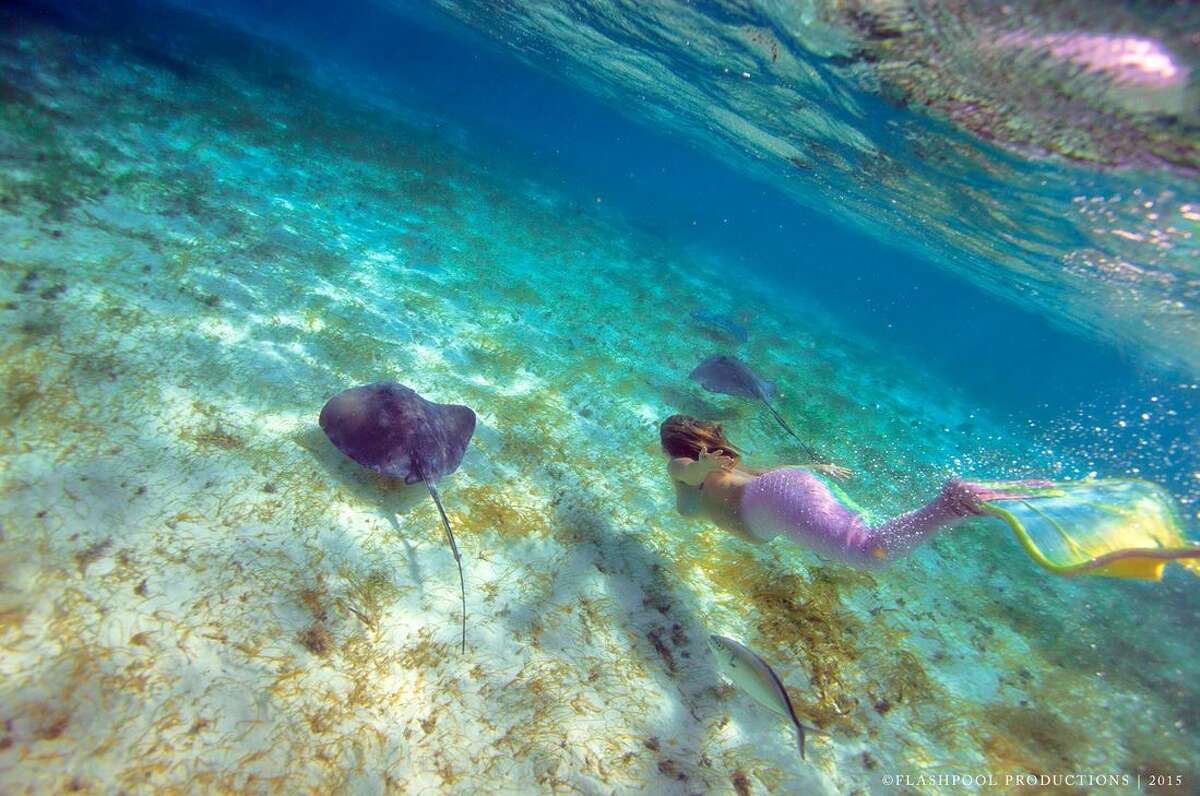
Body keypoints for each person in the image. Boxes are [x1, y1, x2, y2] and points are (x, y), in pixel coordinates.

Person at [660, 414, 1200, 579]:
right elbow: (704, 490)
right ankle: (983, 497)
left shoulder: (685, 470)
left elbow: (687, 476)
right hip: (783, 490)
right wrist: (815, 468)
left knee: (869, 554)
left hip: (774, 502)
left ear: (680, 451)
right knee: (867, 544)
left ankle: (954, 502)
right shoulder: (708, 477)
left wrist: (696, 467)